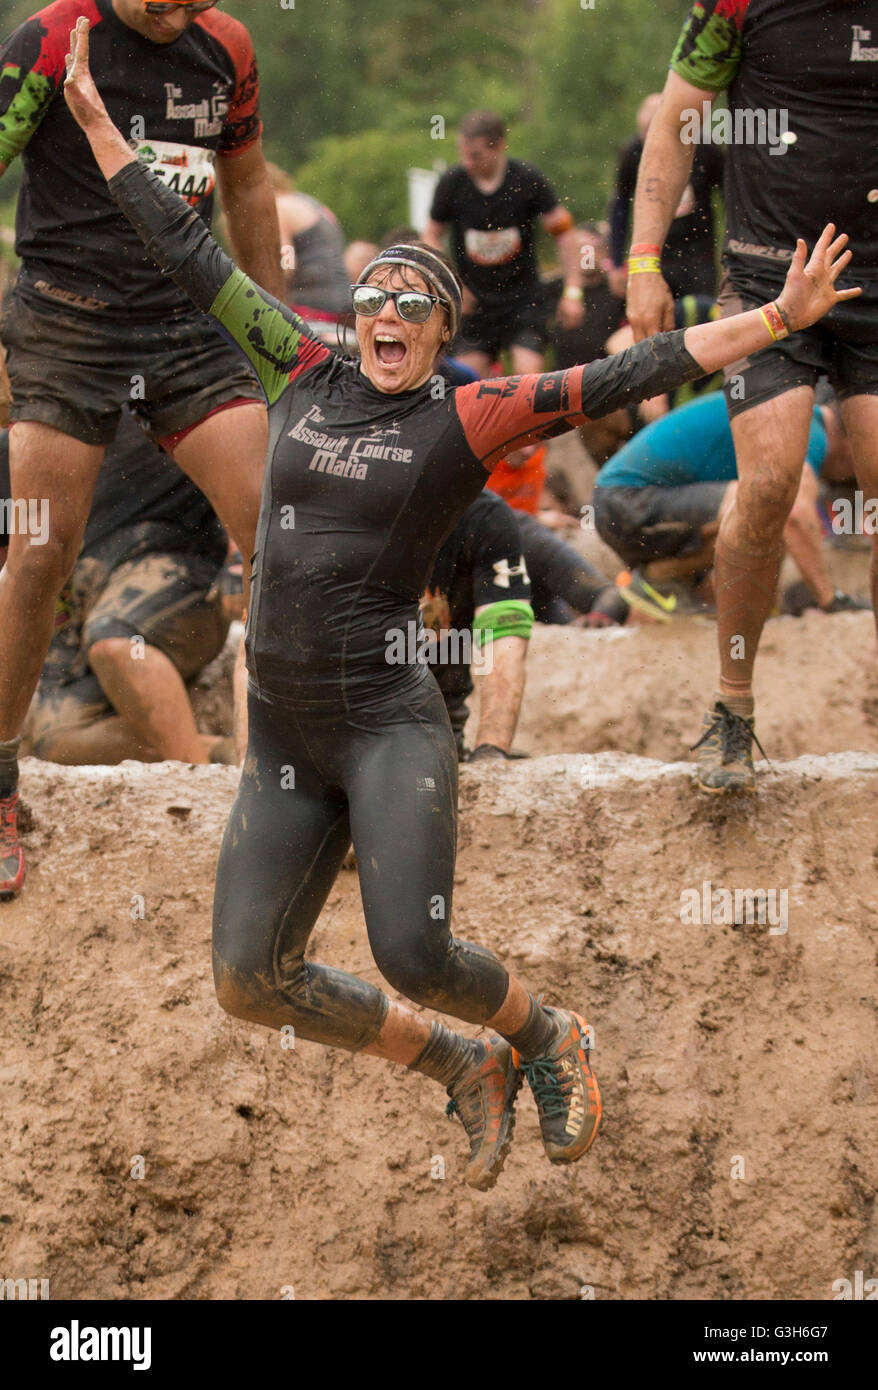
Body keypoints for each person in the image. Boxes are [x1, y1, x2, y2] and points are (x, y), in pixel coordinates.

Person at [63, 13, 857, 1186]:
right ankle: (453, 1065)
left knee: (413, 948)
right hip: (280, 727)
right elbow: (193, 254)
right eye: (374, 296)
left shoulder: (468, 414)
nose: (384, 313)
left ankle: (544, 1036)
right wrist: (90, 119)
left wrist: (774, 322)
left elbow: (631, 370)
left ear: (438, 337)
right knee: (246, 980)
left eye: (411, 305)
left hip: (386, 721)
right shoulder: (299, 363)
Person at [0, 0, 284, 898]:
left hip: (186, 322)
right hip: (66, 320)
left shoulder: (225, 45)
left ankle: (297, 774)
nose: (173, 6)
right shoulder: (51, 40)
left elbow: (247, 188)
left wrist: (280, 341)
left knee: (286, 534)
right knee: (41, 552)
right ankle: (1, 782)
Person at [626, 0, 878, 793]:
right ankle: (733, 709)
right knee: (768, 485)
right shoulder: (733, 2)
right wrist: (642, 262)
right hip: (772, 274)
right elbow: (674, 123)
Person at [0, 411, 235, 767]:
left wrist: (243, 570)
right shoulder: (22, 442)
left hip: (181, 588)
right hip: (86, 610)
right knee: (53, 738)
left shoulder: (171, 399)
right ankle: (217, 755)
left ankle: (198, 782)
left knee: (116, 643)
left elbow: (252, 478)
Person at [593, 392, 868, 621]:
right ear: (850, 444)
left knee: (766, 519)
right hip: (626, 501)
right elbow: (794, 515)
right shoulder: (807, 427)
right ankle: (658, 578)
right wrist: (829, 598)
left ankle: (668, 582)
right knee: (772, 505)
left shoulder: (783, 415)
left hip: (628, 507)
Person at [423, 109, 584, 377]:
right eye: (462, 153)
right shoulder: (452, 184)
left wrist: (573, 290)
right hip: (474, 302)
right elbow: (430, 234)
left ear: (498, 146)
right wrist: (452, 284)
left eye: (475, 155)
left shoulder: (527, 180)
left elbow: (565, 232)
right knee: (469, 383)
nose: (467, 162)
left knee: (529, 377)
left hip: (523, 299)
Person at [422, 489, 534, 762]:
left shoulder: (482, 514)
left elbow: (505, 635)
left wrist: (491, 750)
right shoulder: (342, 505)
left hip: (434, 727)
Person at [609, 92, 723, 300]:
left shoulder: (705, 149)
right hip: (654, 254)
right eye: (643, 132)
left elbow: (730, 198)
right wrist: (616, 262)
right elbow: (620, 207)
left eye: (651, 131)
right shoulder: (632, 153)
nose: (647, 140)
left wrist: (732, 253)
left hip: (699, 254)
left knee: (702, 317)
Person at [268, 163, 352, 345]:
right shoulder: (308, 202)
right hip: (341, 306)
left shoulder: (279, 207)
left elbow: (287, 265)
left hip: (311, 309)